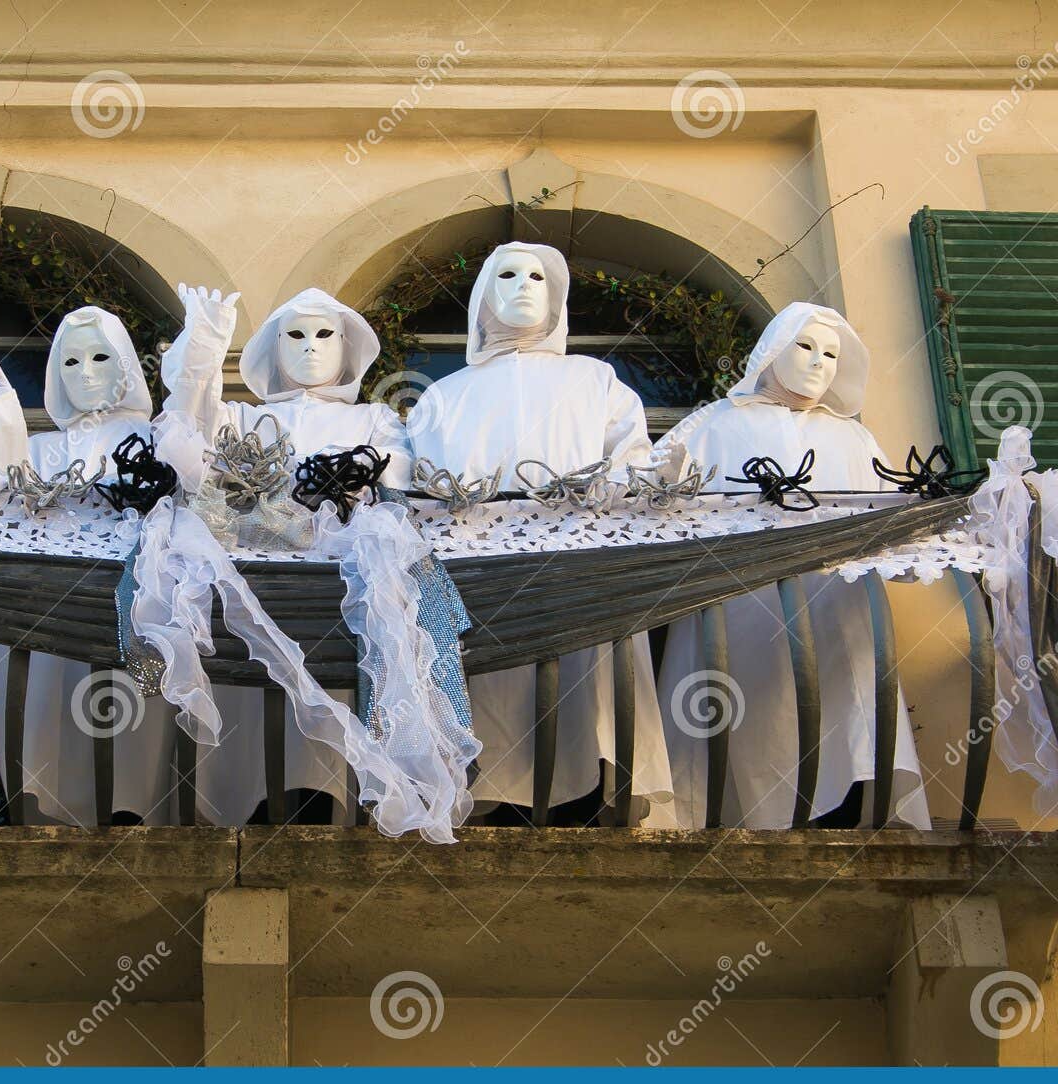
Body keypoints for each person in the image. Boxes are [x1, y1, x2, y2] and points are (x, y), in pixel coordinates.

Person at [407, 242, 674, 825]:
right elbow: (416, 492)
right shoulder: (443, 396)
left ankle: (583, 803)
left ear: (558, 299)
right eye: (508, 274)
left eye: (539, 276)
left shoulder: (595, 380)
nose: (526, 284)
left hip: (578, 578)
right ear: (482, 297)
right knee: (492, 708)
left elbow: (636, 464)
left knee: (583, 703)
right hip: (475, 587)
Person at [651, 302, 931, 829]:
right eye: (805, 346)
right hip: (737, 612)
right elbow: (647, 492)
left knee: (841, 722)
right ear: (775, 350)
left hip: (836, 613)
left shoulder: (854, 438)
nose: (819, 362)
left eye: (831, 354)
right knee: (736, 726)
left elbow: (892, 516)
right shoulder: (715, 423)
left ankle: (835, 822)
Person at [159, 284, 413, 823]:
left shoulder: (374, 421)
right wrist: (203, 347)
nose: (310, 347)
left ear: (349, 346)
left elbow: (399, 495)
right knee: (261, 713)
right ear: (272, 349)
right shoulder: (245, 418)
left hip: (343, 599)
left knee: (333, 707)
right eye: (294, 336)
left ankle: (343, 797)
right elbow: (188, 437)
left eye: (325, 334)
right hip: (258, 591)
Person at [0, 306, 180, 824]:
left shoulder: (157, 440)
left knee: (137, 717)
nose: (88, 373)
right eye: (71, 362)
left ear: (126, 367)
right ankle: (46, 807)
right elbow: (15, 501)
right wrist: (0, 426)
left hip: (138, 605)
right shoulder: (43, 447)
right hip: (51, 609)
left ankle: (137, 809)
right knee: (53, 710)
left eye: (101, 357)